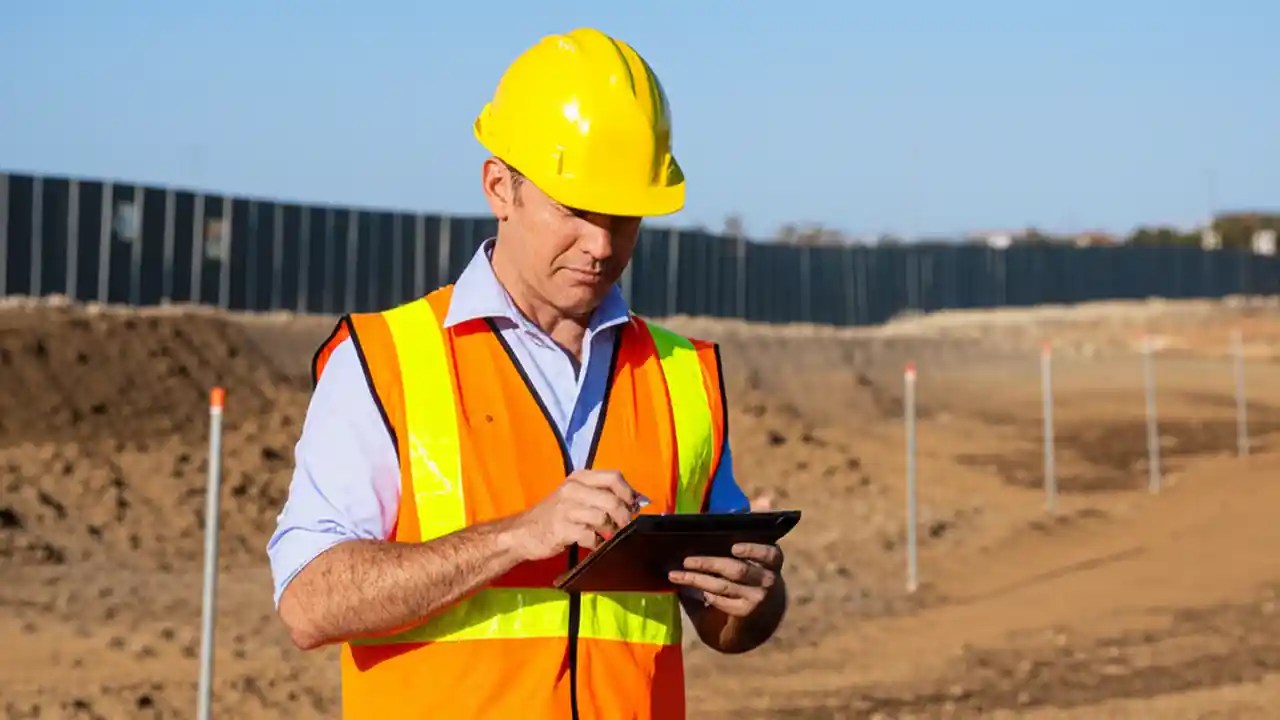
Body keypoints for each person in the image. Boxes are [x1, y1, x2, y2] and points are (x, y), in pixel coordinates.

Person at [267, 27, 788, 720]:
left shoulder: (679, 377)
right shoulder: (386, 360)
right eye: (574, 210)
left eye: (623, 216)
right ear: (499, 187)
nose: (601, 245)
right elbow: (309, 600)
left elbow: (721, 625)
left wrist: (755, 600)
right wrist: (516, 536)